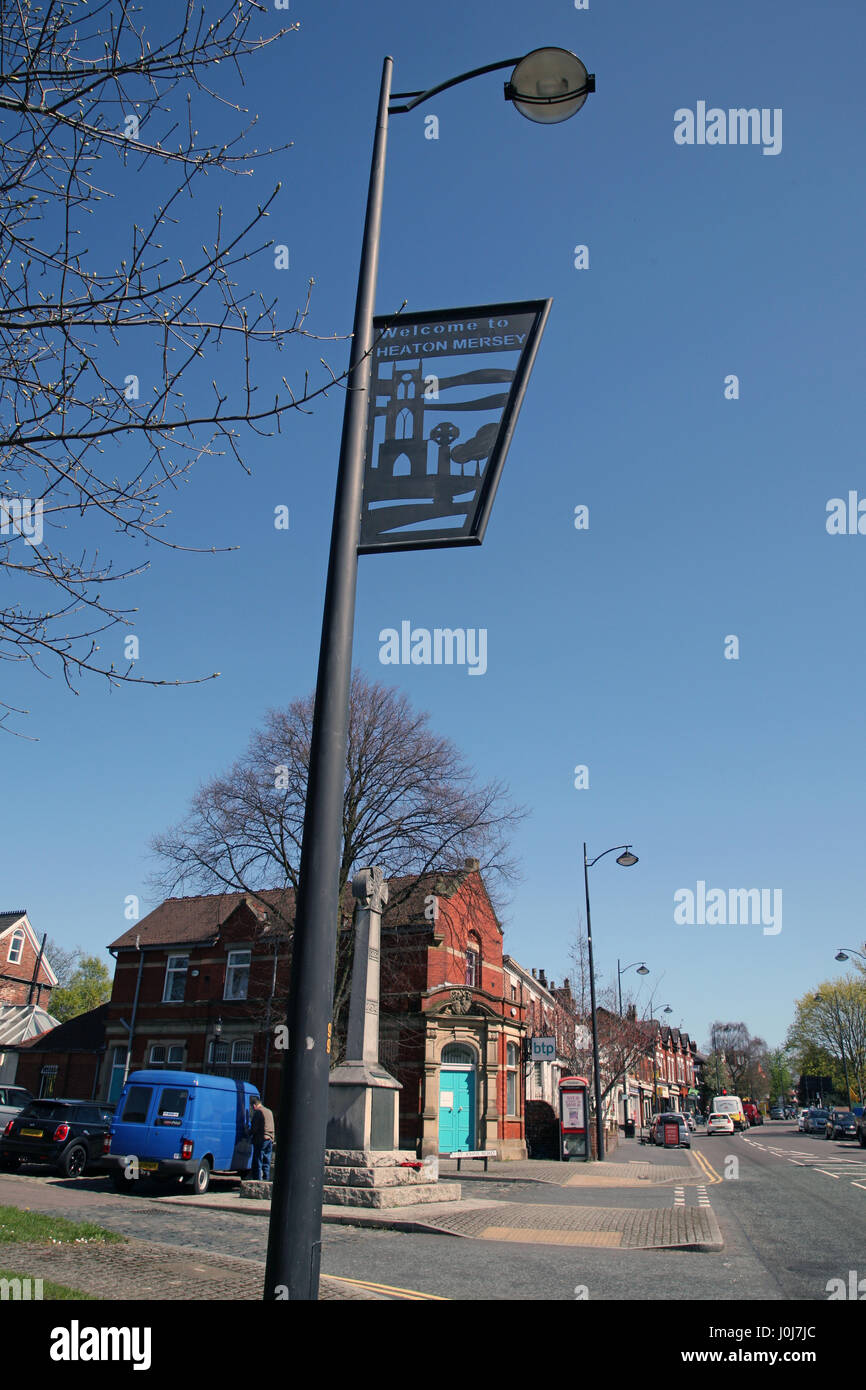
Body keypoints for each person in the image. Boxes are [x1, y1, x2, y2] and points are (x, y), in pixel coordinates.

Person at [250, 1096, 275, 1180]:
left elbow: (254, 1128)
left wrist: (248, 1133)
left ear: (254, 1105)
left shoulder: (258, 1112)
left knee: (258, 1161)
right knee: (267, 1161)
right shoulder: (269, 1111)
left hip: (261, 1139)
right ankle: (266, 1179)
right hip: (270, 1139)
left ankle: (257, 1180)